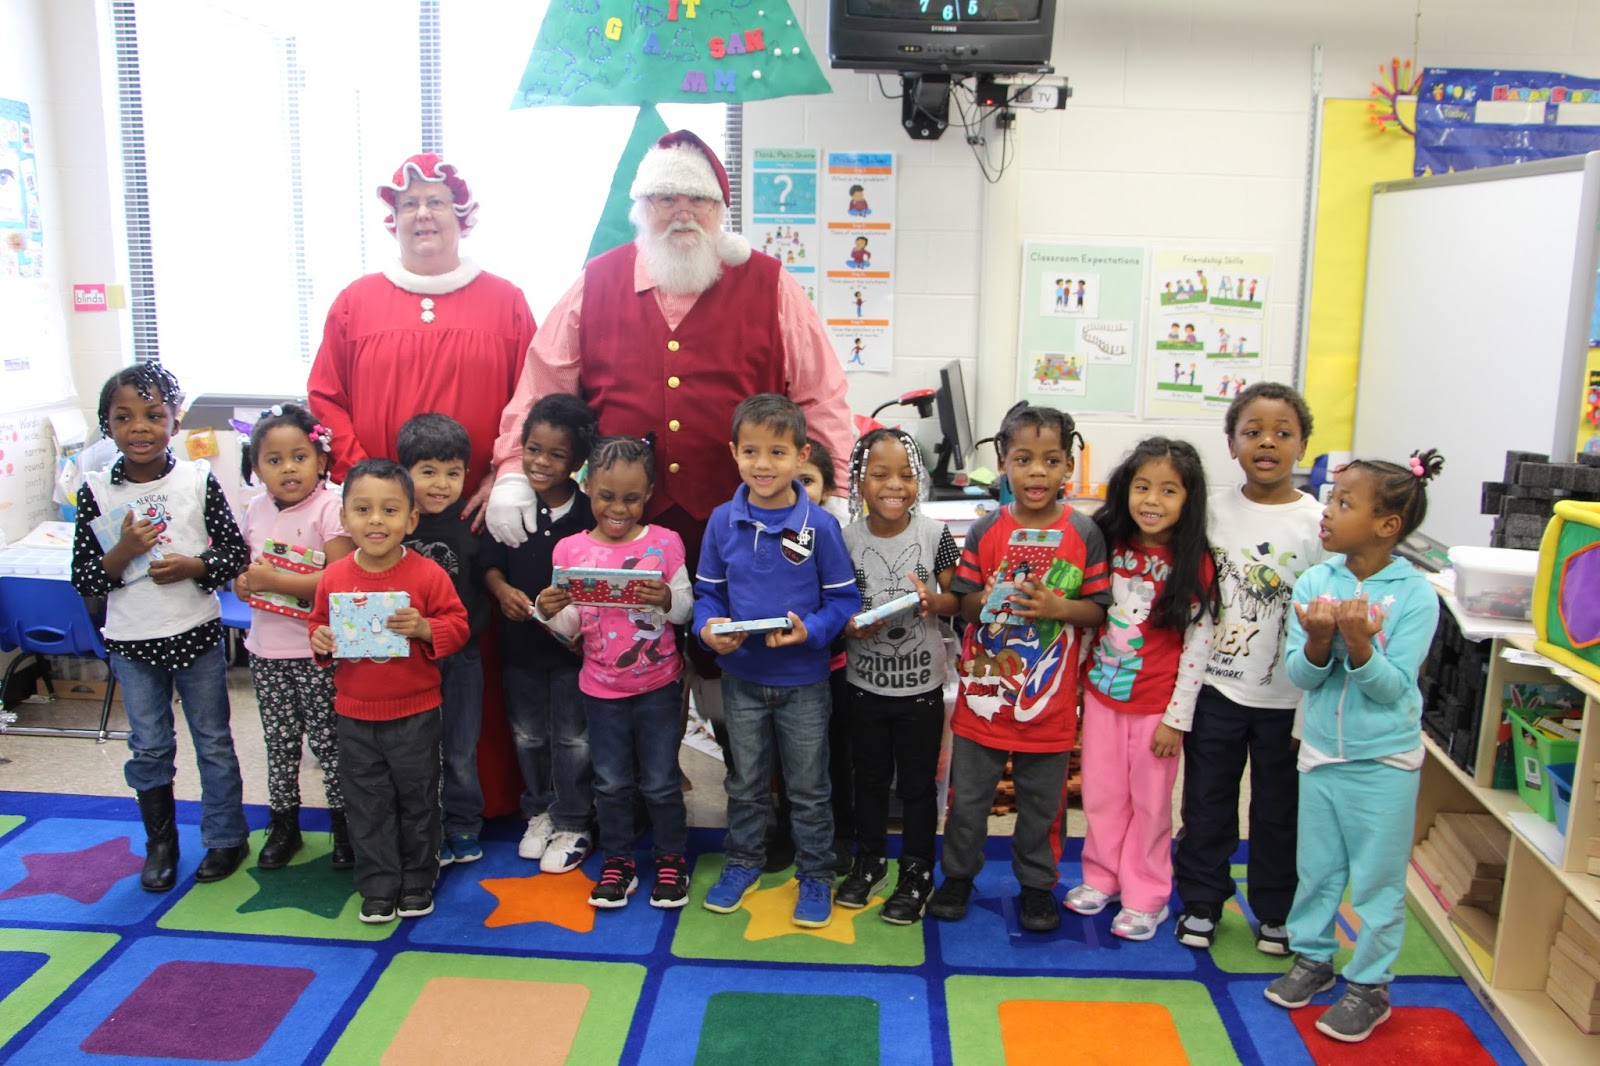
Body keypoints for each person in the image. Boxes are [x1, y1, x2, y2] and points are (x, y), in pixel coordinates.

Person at [1265, 450, 1445, 1042]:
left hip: (1383, 763)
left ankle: (1370, 984)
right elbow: (1303, 675)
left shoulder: (1414, 596)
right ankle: (1314, 959)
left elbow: (1394, 688)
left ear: (1386, 525)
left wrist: (1361, 646)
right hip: (1320, 754)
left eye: (1343, 503)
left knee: (1376, 880)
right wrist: (1320, 643)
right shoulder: (1318, 580)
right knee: (1315, 869)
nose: (1328, 511)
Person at [926, 404, 1111, 933]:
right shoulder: (986, 531)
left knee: (1042, 805)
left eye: (1051, 460)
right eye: (1024, 459)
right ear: (1003, 462)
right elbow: (961, 603)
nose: (1037, 472)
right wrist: (988, 597)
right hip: (986, 693)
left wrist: (1057, 609)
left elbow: (1098, 609)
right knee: (968, 800)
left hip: (1046, 700)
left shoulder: (1084, 534)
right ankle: (958, 876)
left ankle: (1037, 886)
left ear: (1068, 467)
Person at [71, 363, 253, 891]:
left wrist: (195, 567)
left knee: (213, 741)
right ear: (108, 425)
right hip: (131, 641)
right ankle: (161, 844)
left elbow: (234, 554)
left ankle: (225, 837)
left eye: (154, 414)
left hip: (194, 631)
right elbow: (83, 577)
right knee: (150, 746)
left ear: (175, 421)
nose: (141, 427)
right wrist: (124, 551)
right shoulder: (96, 492)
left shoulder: (196, 479)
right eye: (124, 417)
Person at [694, 395, 860, 929]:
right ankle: (742, 862)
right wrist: (708, 628)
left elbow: (843, 601)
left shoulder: (822, 526)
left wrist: (810, 630)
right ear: (733, 454)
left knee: (809, 787)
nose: (763, 464)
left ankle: (816, 875)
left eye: (777, 451)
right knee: (744, 782)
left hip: (805, 682)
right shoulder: (722, 521)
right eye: (750, 451)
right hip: (741, 679)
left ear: (800, 454)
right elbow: (707, 596)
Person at [1174, 382, 1324, 954]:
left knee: (1278, 810)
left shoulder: (1316, 523)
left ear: (1303, 444)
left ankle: (1275, 908)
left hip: (1287, 695)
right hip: (1216, 687)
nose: (1267, 443)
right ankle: (1203, 901)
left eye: (1283, 433)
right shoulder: (1211, 512)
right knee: (1207, 802)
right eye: (1253, 432)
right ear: (1231, 443)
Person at [308, 153, 534, 518]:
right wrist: (364, 481)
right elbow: (326, 397)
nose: (423, 213)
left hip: (479, 512)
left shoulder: (507, 302)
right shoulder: (355, 302)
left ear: (461, 215)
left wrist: (504, 475)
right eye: (409, 203)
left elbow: (532, 400)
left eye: (436, 202)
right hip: (378, 521)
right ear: (394, 220)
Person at [1064, 439, 1218, 941]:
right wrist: (1081, 686)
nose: (1152, 500)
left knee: (1151, 805)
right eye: (1143, 486)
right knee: (1103, 796)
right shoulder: (1108, 543)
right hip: (1104, 697)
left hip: (1156, 709)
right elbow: (1092, 621)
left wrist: (1178, 718)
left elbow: (1199, 644)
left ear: (1188, 499)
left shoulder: (1194, 561)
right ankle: (1101, 878)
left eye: (1168, 490)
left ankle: (1146, 894)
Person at [535, 437, 695, 910]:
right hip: (600, 689)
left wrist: (667, 600)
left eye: (631, 497)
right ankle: (618, 861)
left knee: (662, 780)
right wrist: (547, 610)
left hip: (659, 686)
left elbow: (685, 611)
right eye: (606, 496)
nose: (617, 508)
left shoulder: (665, 542)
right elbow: (570, 628)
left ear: (648, 495)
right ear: (588, 488)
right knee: (610, 782)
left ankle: (670, 860)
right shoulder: (569, 550)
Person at [308, 459, 469, 923]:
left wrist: (424, 627)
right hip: (355, 714)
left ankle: (418, 880)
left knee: (418, 798)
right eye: (362, 508)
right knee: (367, 802)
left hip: (415, 713)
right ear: (344, 516)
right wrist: (320, 641)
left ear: (410, 519)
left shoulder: (427, 575)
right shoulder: (335, 576)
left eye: (390, 510)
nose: (376, 520)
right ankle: (378, 885)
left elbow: (457, 626)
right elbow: (320, 624)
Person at [836, 428, 960, 925]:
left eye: (907, 475)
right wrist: (846, 622)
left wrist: (937, 601)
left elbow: (961, 598)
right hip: (863, 686)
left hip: (921, 690)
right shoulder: (844, 541)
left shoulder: (934, 535)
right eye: (881, 474)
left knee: (915, 785)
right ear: (859, 483)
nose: (895, 485)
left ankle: (917, 869)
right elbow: (835, 603)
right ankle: (870, 862)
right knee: (866, 780)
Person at [479, 394, 600, 873]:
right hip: (519, 650)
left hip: (574, 654)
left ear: (577, 462)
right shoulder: (506, 506)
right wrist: (501, 588)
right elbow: (488, 564)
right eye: (532, 448)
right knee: (528, 735)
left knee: (573, 739)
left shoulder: (590, 513)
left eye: (555, 454)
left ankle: (574, 820)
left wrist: (584, 626)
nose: (540, 462)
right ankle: (540, 812)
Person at [236, 403, 355, 871]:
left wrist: (274, 582)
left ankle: (344, 827)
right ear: (257, 468)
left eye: (299, 456)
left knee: (329, 742)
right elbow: (248, 573)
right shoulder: (255, 510)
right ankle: (283, 824)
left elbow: (341, 579)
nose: (288, 468)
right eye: (274, 459)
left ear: (321, 460)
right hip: (265, 650)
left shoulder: (331, 507)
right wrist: (243, 583)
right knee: (280, 741)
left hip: (317, 650)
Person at [398, 414, 489, 865]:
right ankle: (422, 825)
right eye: (428, 472)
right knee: (413, 751)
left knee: (459, 748)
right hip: (406, 660)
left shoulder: (473, 523)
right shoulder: (397, 526)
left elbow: (489, 582)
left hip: (462, 657)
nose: (441, 484)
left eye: (453, 473)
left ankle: (464, 823)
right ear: (405, 473)